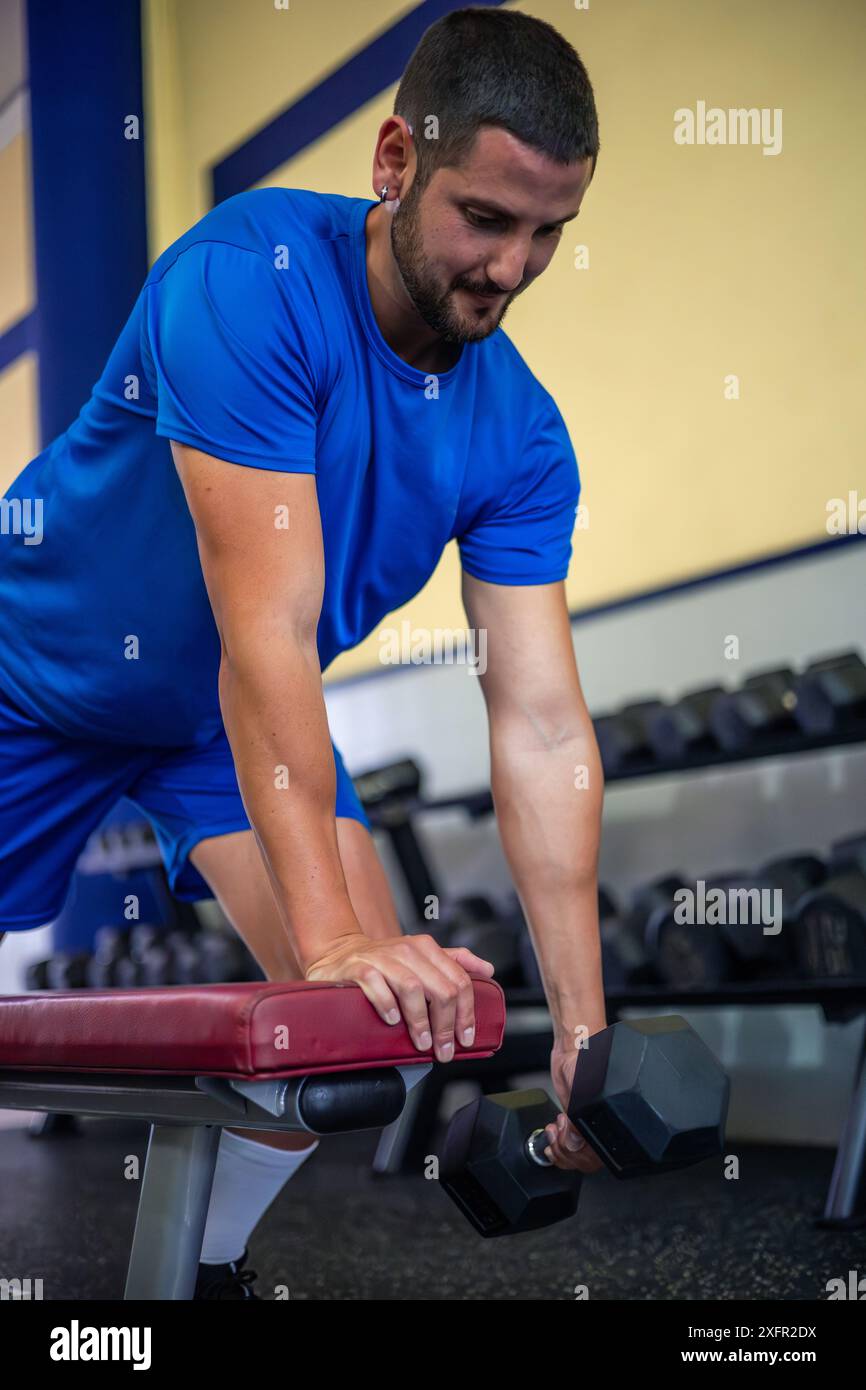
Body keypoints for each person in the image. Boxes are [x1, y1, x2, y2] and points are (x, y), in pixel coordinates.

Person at [0, 7, 605, 1297]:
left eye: (548, 233)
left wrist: (584, 1029)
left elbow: (541, 724)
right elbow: (262, 623)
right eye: (486, 219)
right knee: (344, 975)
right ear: (396, 162)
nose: (513, 266)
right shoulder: (248, 277)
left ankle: (186, 1284)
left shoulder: (524, 436)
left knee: (364, 1038)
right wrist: (329, 937)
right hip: (26, 675)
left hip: (215, 724)